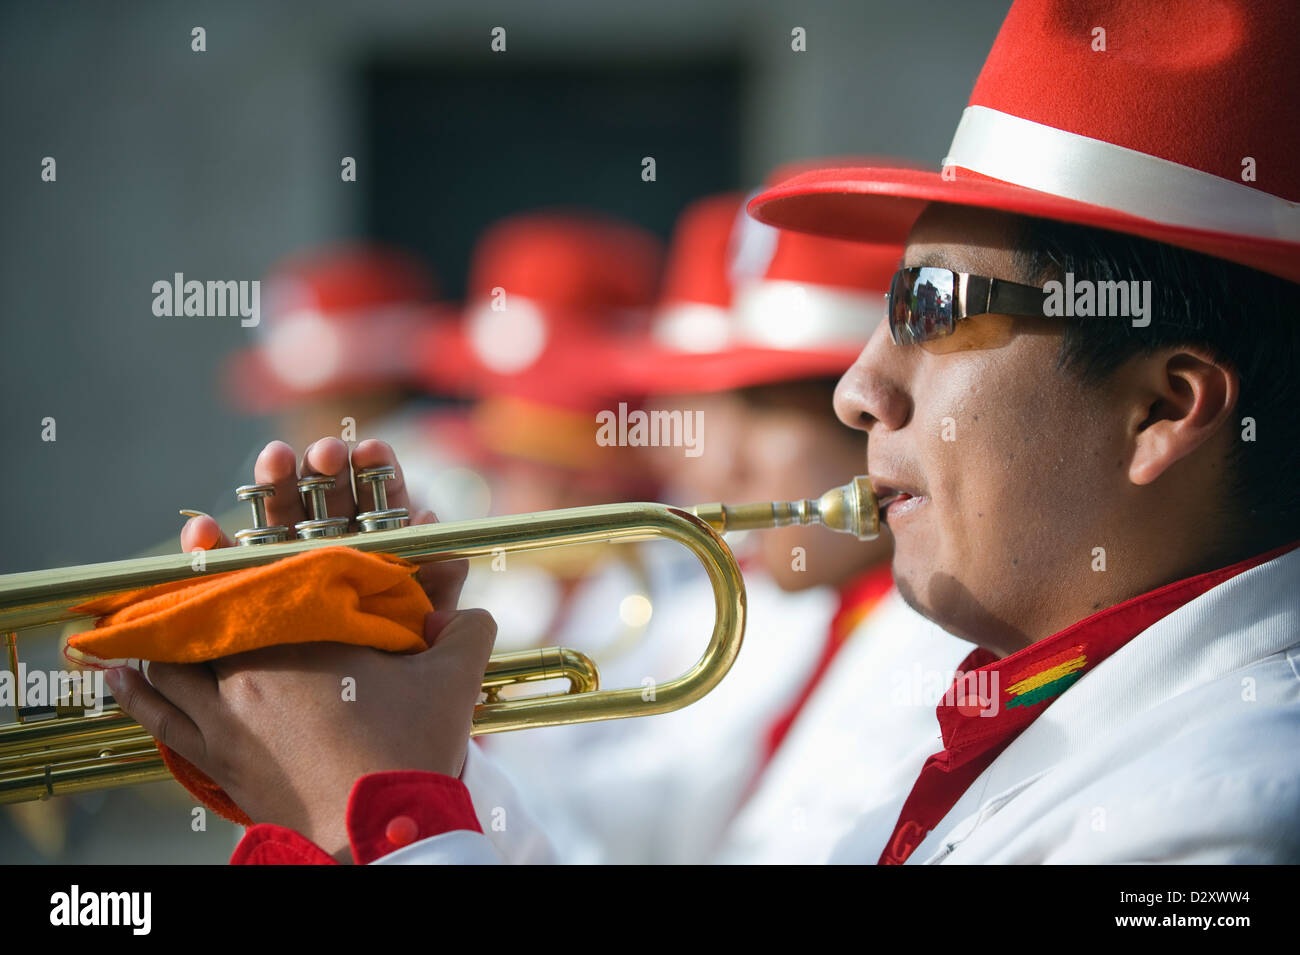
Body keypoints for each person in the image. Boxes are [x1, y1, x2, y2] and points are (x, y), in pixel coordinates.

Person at [110, 0, 1300, 864]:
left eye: (927, 309)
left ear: (1161, 408)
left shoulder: (1226, 813)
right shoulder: (1039, 698)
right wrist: (408, 765)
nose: (857, 389)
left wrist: (379, 804)